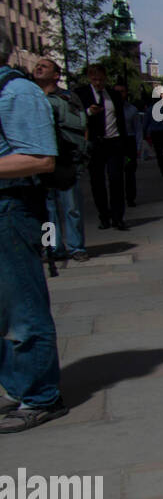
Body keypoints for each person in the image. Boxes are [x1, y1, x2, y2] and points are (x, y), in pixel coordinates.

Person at [0, 30, 68, 433]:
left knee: (23, 307)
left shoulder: (18, 93)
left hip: (11, 208)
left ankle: (42, 395)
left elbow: (41, 158)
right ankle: (19, 384)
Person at [32, 57, 90, 263]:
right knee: (47, 210)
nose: (38, 67)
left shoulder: (68, 98)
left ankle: (76, 247)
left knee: (71, 207)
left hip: (66, 160)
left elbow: (81, 126)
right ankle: (52, 248)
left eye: (44, 66)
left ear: (56, 75)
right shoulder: (29, 96)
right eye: (37, 65)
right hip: (39, 160)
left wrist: (81, 154)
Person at [75, 64, 128, 230]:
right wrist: (89, 113)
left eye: (100, 79)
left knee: (116, 179)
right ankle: (104, 216)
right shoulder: (81, 94)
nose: (97, 82)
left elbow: (121, 119)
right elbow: (74, 116)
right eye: (94, 79)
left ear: (105, 78)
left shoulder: (113, 95)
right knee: (97, 182)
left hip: (114, 141)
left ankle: (118, 217)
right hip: (95, 143)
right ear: (89, 78)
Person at [114, 83, 142, 206]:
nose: (120, 94)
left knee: (129, 171)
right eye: (117, 91)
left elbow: (138, 129)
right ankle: (117, 198)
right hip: (113, 142)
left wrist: (138, 146)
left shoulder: (132, 110)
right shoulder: (108, 109)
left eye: (122, 91)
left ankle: (130, 197)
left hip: (128, 143)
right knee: (115, 173)